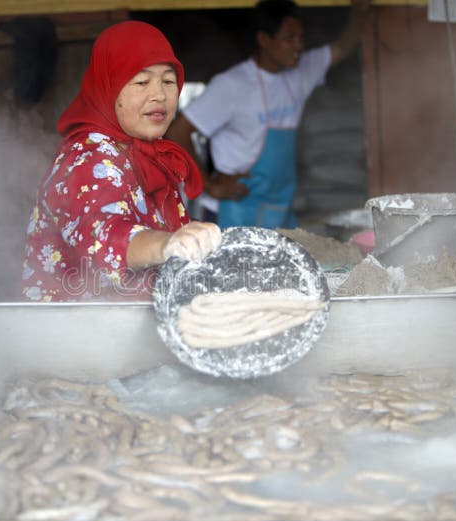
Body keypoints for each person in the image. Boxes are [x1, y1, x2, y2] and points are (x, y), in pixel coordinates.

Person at [20, 21, 221, 302]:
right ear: (109, 87)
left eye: (168, 81)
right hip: (70, 323)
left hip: (126, 318)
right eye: (141, 82)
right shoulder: (86, 159)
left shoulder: (148, 154)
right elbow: (106, 232)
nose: (159, 95)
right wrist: (167, 244)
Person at [165, 0, 370, 229]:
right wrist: (210, 186)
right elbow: (177, 131)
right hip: (235, 210)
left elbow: (344, 46)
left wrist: (360, 10)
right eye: (290, 38)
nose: (299, 45)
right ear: (264, 40)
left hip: (279, 210)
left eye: (300, 37)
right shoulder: (232, 85)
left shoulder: (301, 72)